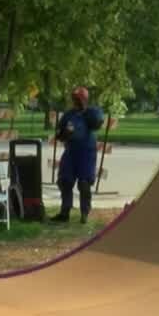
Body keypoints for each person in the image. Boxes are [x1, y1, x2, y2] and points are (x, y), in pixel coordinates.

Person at [52, 86, 104, 224]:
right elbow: (59, 135)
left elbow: (98, 123)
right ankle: (65, 212)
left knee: (84, 183)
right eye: (74, 98)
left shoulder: (92, 113)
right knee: (65, 181)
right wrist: (64, 134)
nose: (76, 101)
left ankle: (84, 213)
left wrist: (90, 116)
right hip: (71, 151)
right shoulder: (68, 115)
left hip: (86, 152)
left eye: (78, 98)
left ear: (85, 99)